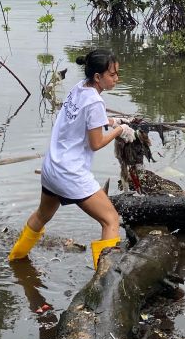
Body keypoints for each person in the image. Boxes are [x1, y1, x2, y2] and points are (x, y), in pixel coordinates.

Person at [8, 49, 135, 269]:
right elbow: (95, 143)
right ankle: (105, 282)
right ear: (98, 77)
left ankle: (15, 259)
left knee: (41, 216)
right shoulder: (95, 102)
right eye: (113, 75)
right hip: (70, 174)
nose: (117, 79)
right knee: (110, 220)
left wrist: (112, 121)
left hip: (52, 168)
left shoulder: (79, 88)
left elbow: (85, 119)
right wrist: (120, 130)